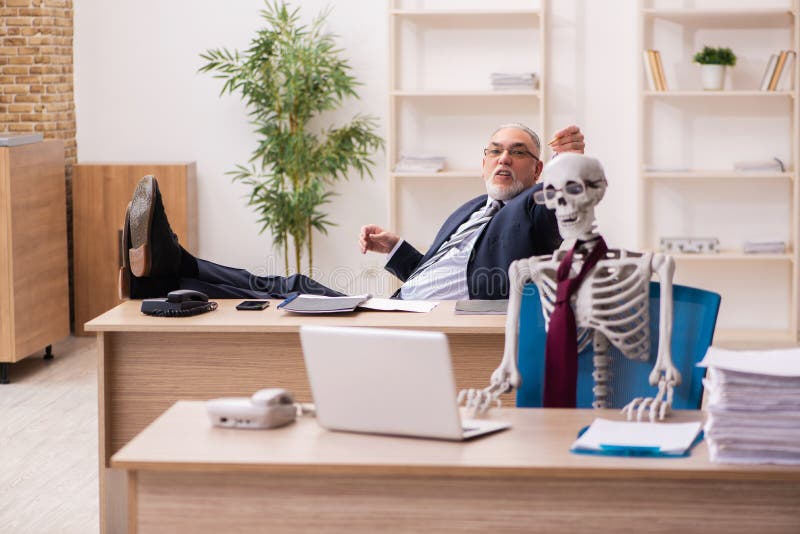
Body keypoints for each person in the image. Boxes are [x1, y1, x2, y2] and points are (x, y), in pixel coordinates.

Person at [121, 123, 584, 300]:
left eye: (518, 152)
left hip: (426, 326)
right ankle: (163, 276)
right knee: (288, 290)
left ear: (537, 170)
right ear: (482, 162)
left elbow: (560, 206)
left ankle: (173, 266)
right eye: (495, 150)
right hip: (402, 309)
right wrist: (397, 249)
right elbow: (438, 277)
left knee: (294, 288)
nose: (504, 158)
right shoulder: (470, 210)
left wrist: (570, 162)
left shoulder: (531, 211)